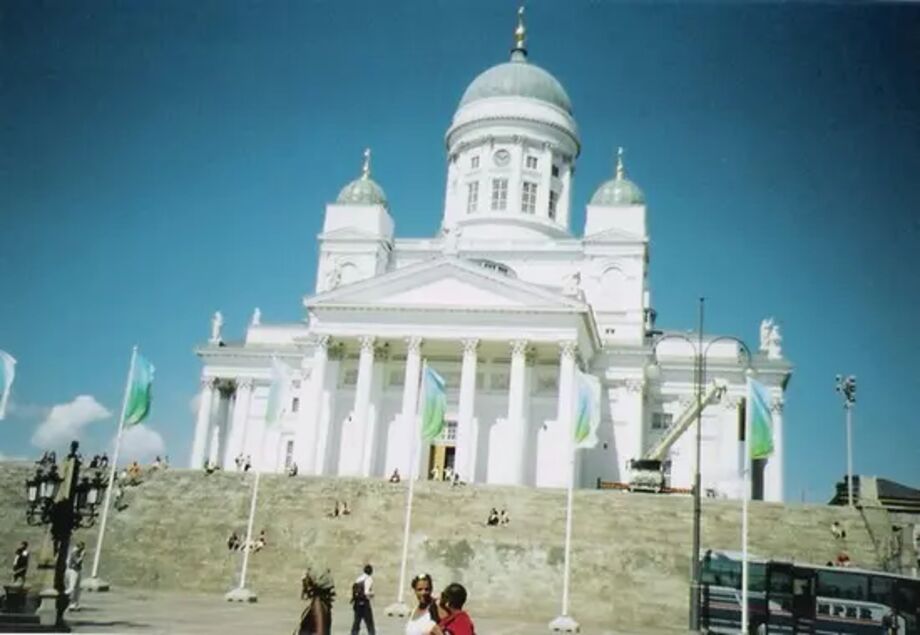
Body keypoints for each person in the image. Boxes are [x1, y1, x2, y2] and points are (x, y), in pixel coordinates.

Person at [296, 567, 335, 635]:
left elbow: (320, 632)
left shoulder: (317, 603)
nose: (304, 585)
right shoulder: (323, 602)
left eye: (306, 582)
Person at [350, 564, 375, 635]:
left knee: (357, 621)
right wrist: (372, 594)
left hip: (357, 602)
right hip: (365, 603)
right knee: (369, 622)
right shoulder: (369, 579)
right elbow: (366, 592)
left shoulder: (359, 578)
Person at [65, 541, 85, 611]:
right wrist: (82, 556)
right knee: (72, 587)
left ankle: (74, 604)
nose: (83, 549)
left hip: (78, 571)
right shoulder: (74, 553)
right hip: (73, 571)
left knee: (78, 588)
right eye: (82, 547)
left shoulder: (78, 552)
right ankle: (64, 599)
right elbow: (77, 562)